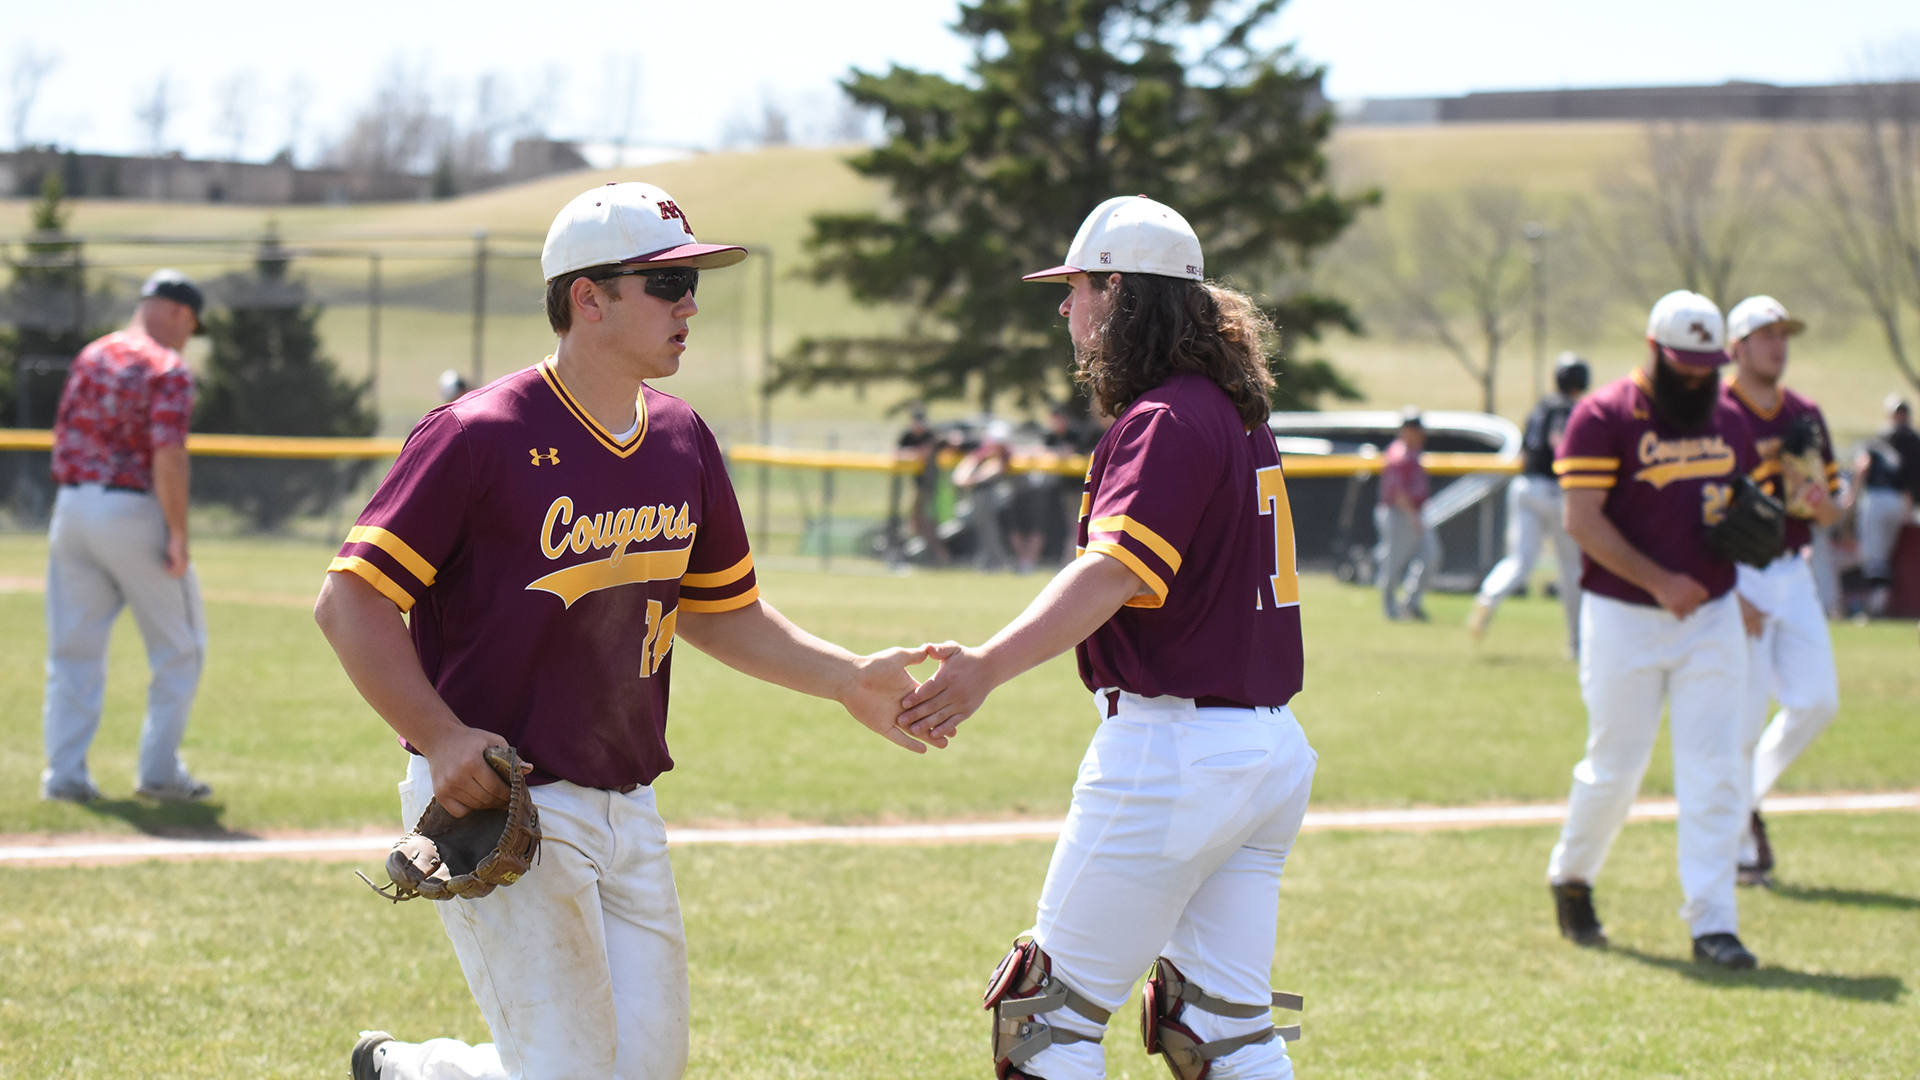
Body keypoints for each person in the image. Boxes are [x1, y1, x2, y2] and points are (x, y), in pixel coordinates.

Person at [315, 182, 931, 1080]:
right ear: (587, 297)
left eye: (693, 285)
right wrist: (441, 738)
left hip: (629, 802)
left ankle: (420, 1073)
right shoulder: (478, 434)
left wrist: (845, 678)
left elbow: (722, 610)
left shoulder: (681, 437)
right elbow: (351, 602)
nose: (689, 305)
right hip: (501, 795)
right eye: (665, 284)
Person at [898, 195, 1316, 1080]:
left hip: (1176, 749)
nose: (1066, 307)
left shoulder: (1167, 416)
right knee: (1225, 1029)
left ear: (1120, 291)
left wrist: (986, 669)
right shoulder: (1236, 412)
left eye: (1079, 286)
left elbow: (1113, 571)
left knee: (1045, 1019)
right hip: (1265, 748)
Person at [1547, 289, 1761, 969]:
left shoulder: (1730, 416)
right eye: (1684, 361)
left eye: (1708, 361)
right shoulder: (1604, 415)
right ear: (1653, 351)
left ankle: (1713, 923)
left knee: (1716, 769)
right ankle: (1572, 875)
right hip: (1624, 617)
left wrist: (1759, 540)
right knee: (1617, 765)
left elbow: (1743, 504)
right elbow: (1582, 520)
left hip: (1712, 616)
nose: (1697, 374)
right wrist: (1661, 579)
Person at [39, 269, 211, 804]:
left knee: (73, 649)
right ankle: (159, 774)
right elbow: (169, 455)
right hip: (132, 509)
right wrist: (178, 533)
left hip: (71, 506)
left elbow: (62, 432)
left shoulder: (91, 355)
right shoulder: (167, 365)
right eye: (190, 325)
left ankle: (64, 777)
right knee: (179, 648)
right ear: (180, 314)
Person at [1720, 296, 1844, 887]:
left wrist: (1828, 501)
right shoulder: (1716, 413)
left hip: (1792, 570)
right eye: (1764, 335)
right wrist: (1725, 589)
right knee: (1742, 720)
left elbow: (1827, 512)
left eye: (1782, 334)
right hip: (1738, 573)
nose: (1778, 344)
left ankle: (1743, 800)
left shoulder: (1805, 413)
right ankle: (1742, 847)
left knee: (1818, 700)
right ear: (1735, 348)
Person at [1468, 353, 1590, 654]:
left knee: (1520, 560)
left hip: (1524, 486)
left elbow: (1525, 452)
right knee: (1571, 567)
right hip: (1556, 491)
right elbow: (1559, 443)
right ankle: (1576, 642)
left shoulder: (1540, 407)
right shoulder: (1567, 409)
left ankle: (1489, 596)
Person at [1854, 394, 1920, 616]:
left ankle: (1877, 604)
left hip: (1878, 499)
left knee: (1874, 555)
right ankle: (1881, 601)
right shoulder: (1914, 440)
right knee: (1886, 555)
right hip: (1900, 502)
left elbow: (1862, 466)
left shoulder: (1880, 438)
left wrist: (1851, 496)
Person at [1375, 407, 1437, 621]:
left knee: (1431, 556)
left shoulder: (1415, 452)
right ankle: (1389, 607)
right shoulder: (1398, 453)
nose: (1419, 433)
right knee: (1393, 562)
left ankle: (1410, 603)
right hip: (1398, 513)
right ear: (1405, 431)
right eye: (1413, 429)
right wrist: (1413, 516)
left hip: (1415, 513)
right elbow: (1397, 490)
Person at [895, 403, 948, 566]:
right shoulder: (908, 435)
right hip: (917, 485)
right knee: (917, 523)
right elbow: (896, 453)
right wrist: (916, 453)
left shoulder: (932, 435)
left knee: (928, 522)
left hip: (932, 485)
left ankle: (940, 556)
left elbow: (946, 446)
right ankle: (934, 555)